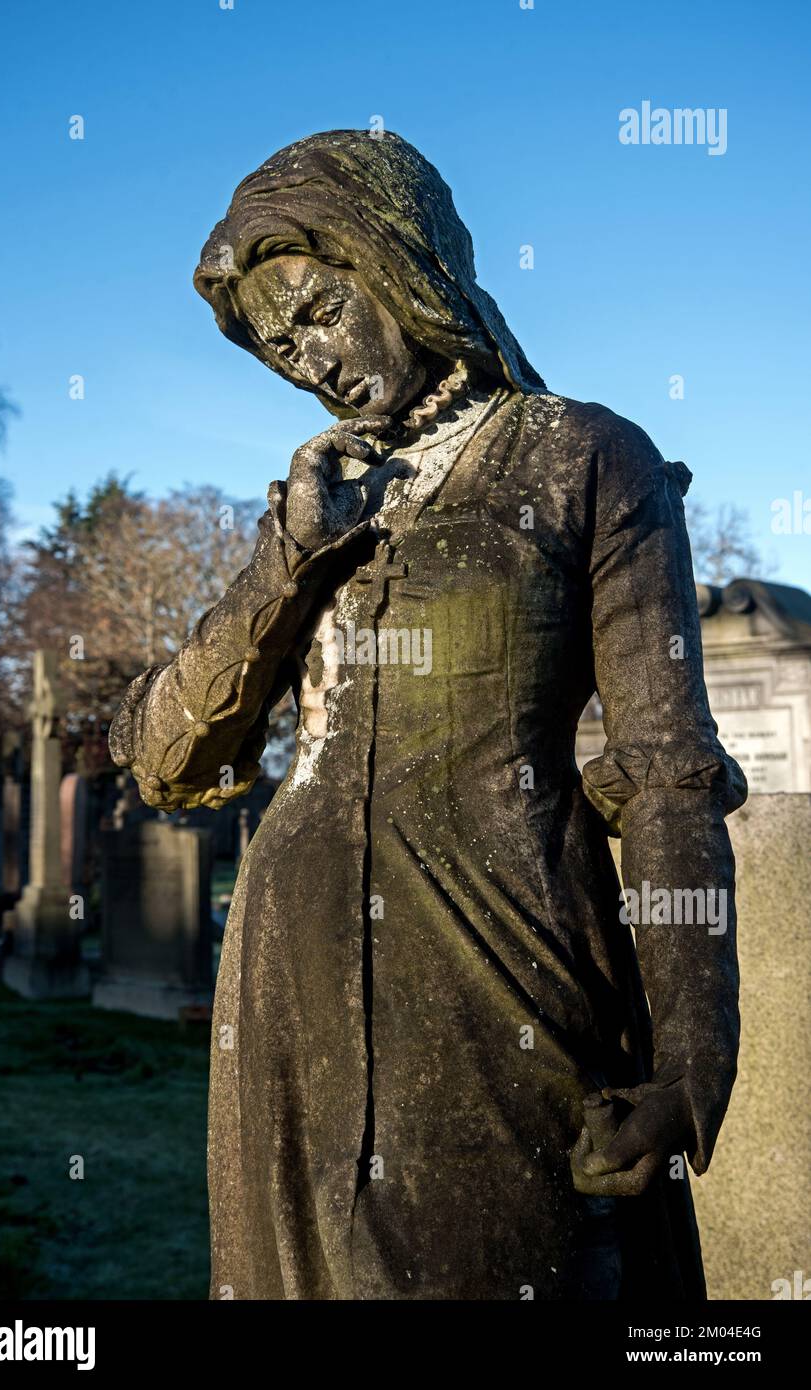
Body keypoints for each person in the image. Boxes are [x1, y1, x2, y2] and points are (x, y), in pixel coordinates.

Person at [109, 129, 747, 1300]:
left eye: (320, 308)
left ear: (395, 260)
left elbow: (669, 775)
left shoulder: (585, 459)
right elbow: (162, 757)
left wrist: (697, 1054)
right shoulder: (314, 499)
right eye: (279, 342)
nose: (311, 360)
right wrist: (288, 561)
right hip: (289, 987)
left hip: (502, 974)